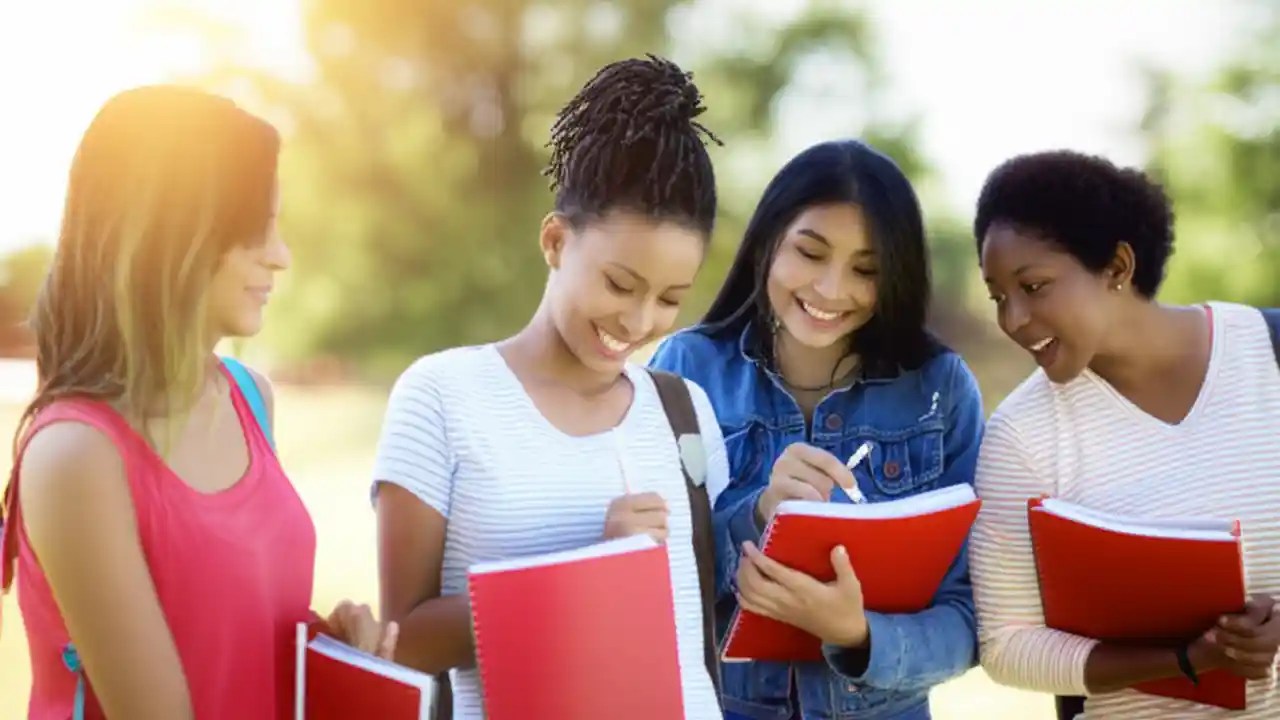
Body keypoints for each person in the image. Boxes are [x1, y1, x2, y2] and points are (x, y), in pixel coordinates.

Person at [0, 86, 396, 720]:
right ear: (177, 236)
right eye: (259, 230)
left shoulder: (249, 398)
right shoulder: (75, 457)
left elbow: (232, 636)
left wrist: (330, 649)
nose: (282, 256)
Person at [372, 55, 727, 719]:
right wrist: (590, 576)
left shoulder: (684, 413)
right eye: (619, 284)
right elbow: (401, 638)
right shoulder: (443, 396)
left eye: (670, 299)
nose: (638, 321)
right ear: (556, 241)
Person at [649, 139, 984, 720]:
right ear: (768, 242)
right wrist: (757, 515)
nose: (831, 290)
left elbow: (972, 615)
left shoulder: (942, 390)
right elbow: (650, 580)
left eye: (866, 270)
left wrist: (857, 633)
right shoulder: (685, 370)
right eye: (810, 252)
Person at [969, 149, 1280, 719]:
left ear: (1117, 266)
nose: (1012, 320)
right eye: (998, 297)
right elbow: (1005, 645)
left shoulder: (1271, 356)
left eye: (1033, 287)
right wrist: (1186, 658)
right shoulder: (1022, 434)